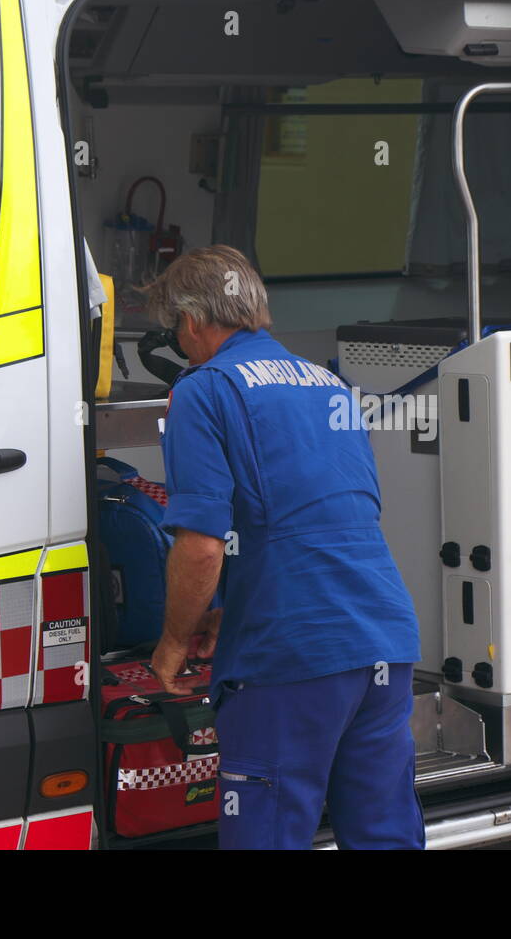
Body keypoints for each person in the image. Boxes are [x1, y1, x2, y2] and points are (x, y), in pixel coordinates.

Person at [141, 245, 424, 850]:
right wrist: (227, 612)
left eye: (176, 327)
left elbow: (201, 547)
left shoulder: (204, 389)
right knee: (384, 835)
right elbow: (328, 520)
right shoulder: (331, 385)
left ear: (191, 323)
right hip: (381, 639)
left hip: (290, 655)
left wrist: (171, 642)